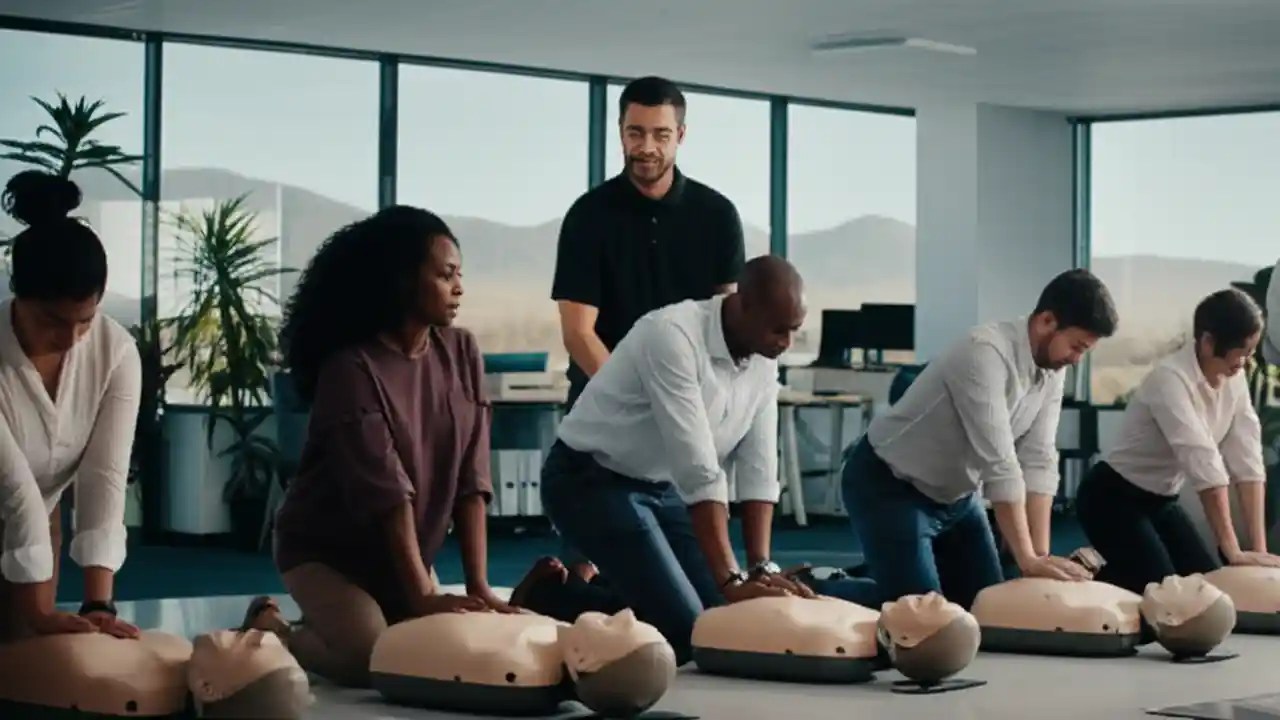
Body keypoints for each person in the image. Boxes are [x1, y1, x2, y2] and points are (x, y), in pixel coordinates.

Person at [241, 206, 525, 688]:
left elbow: (472, 481)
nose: (459, 287)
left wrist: (478, 587)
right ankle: (273, 626)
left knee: (429, 654)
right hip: (326, 554)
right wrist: (421, 596)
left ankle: (375, 610)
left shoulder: (461, 351)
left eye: (460, 274)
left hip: (407, 555)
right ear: (402, 280)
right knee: (370, 658)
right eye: (445, 274)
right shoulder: (351, 368)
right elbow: (387, 494)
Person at [539, 256, 815, 665]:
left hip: (660, 486)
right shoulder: (672, 334)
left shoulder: (763, 360)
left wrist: (758, 567)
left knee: (725, 619)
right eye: (779, 329)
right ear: (743, 304)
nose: (785, 344)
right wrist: (730, 577)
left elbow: (759, 467)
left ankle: (609, 589)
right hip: (589, 479)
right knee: (690, 632)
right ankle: (551, 597)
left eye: (794, 331)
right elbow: (699, 468)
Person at [817, 269, 1119, 611]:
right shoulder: (983, 352)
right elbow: (1000, 463)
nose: (1076, 359)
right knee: (922, 615)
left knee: (985, 608)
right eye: (1077, 346)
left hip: (957, 497)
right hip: (890, 486)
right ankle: (813, 586)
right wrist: (1027, 560)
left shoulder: (1052, 368)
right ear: (1047, 321)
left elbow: (1039, 459)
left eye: (1085, 352)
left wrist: (1040, 560)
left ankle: (889, 569)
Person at [0, 170, 141, 643]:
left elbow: (105, 477)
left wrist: (98, 604)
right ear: (17, 295)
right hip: (21, 507)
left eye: (84, 320)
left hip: (41, 515)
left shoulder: (115, 352)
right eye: (52, 321)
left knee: (26, 662)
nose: (70, 338)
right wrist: (38, 610)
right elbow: (14, 486)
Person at [552, 75, 746, 410]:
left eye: (661, 134)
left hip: (690, 407)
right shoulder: (586, 216)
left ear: (680, 136)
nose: (646, 147)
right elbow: (578, 333)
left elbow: (725, 324)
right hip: (602, 410)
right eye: (635, 133)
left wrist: (687, 402)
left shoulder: (718, 215)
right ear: (621, 132)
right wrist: (635, 397)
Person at [1076, 289, 1280, 595]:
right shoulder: (1169, 379)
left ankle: (1113, 564)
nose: (1246, 362)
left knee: (1206, 589)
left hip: (1161, 501)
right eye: (1241, 351)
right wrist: (1233, 552)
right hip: (1112, 498)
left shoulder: (1234, 379)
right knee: (1170, 594)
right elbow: (1203, 461)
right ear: (1209, 342)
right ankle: (1083, 569)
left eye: (1251, 352)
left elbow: (1247, 459)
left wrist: (1258, 552)